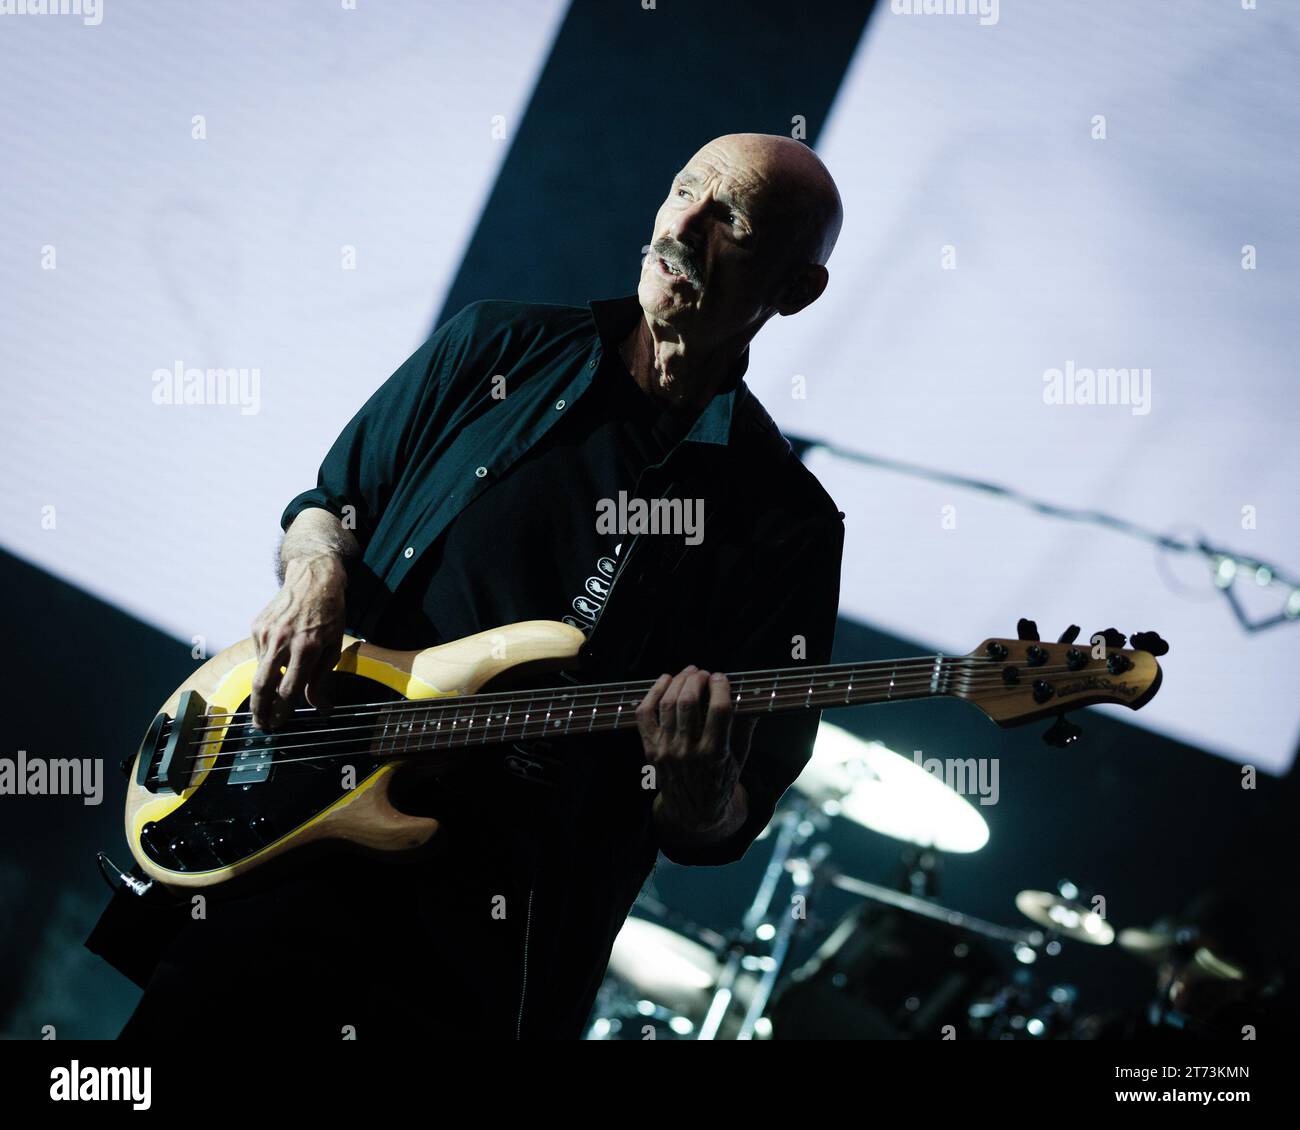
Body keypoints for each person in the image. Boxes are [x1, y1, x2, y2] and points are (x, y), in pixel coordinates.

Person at [103, 132, 847, 1039]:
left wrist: (697, 793)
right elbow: (329, 504)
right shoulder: (499, 345)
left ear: (796, 290)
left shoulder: (787, 522)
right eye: (682, 188)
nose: (683, 225)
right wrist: (312, 575)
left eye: (727, 216)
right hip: (289, 845)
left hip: (479, 955)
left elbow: (729, 816)